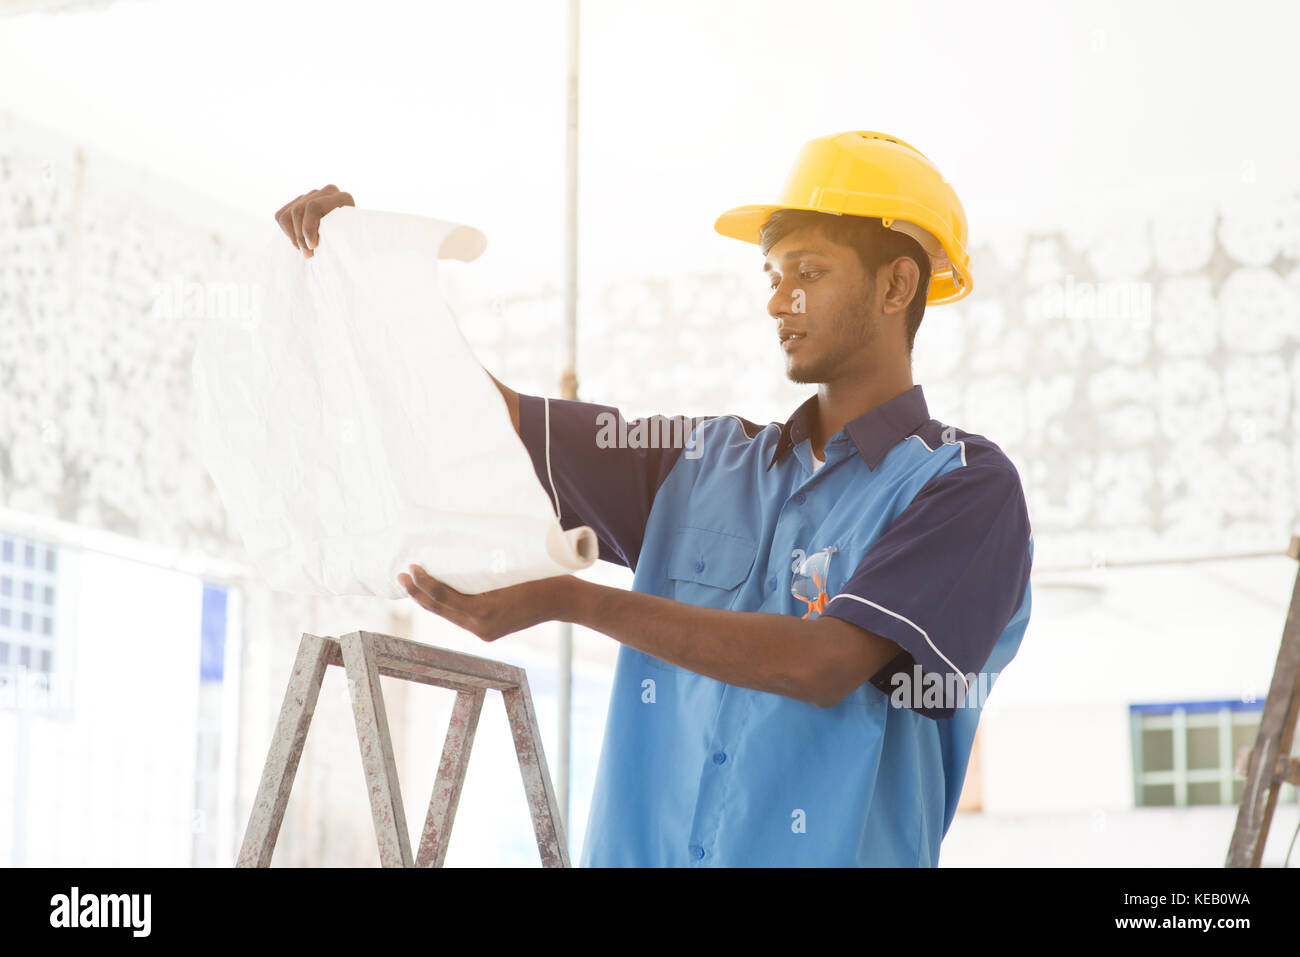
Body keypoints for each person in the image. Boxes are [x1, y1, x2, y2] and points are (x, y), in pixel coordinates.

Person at [274, 130, 1033, 867]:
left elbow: (825, 663)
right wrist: (368, 275)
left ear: (896, 284)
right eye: (772, 277)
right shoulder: (700, 463)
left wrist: (571, 600)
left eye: (807, 270)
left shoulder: (964, 489)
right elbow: (484, 421)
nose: (778, 302)